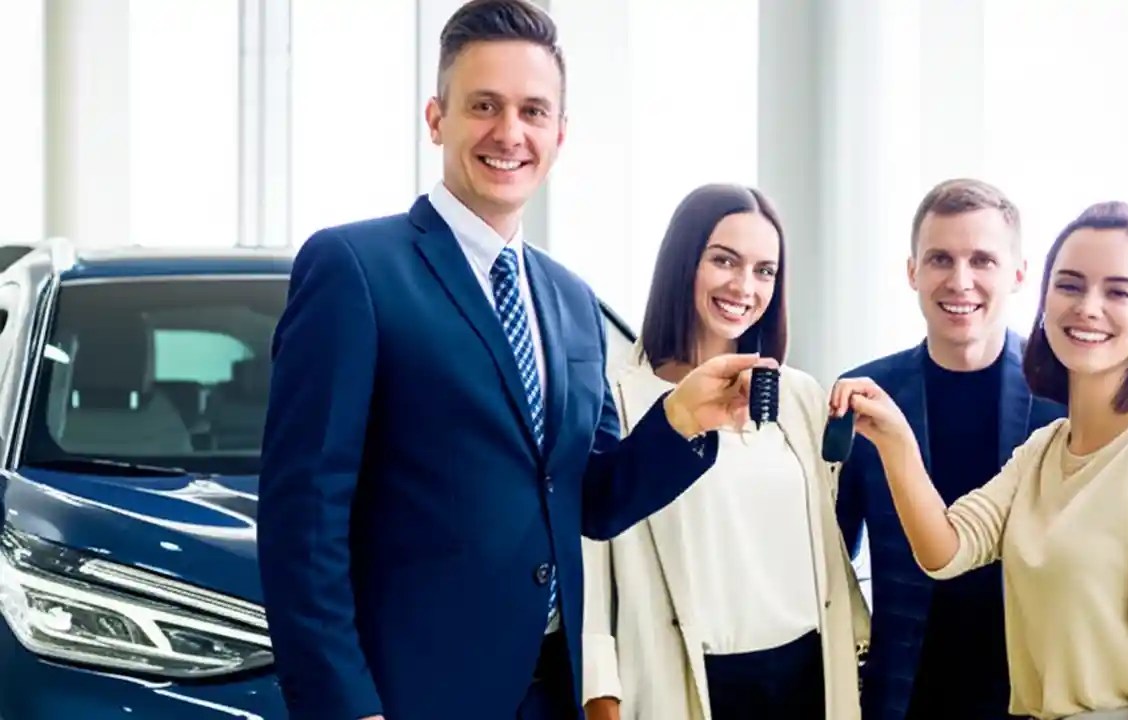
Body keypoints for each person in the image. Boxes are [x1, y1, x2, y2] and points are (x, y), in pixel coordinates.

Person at [256, 2, 771, 719]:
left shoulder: (571, 299)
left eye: (533, 111)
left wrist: (679, 421)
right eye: (484, 106)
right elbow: (304, 523)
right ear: (436, 118)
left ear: (559, 134)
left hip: (550, 691)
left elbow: (589, 499)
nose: (509, 133)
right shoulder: (355, 269)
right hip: (413, 696)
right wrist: (346, 707)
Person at [830, 202, 1128, 719]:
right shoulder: (1045, 449)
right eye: (1070, 285)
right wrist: (896, 441)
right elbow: (944, 550)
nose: (1087, 307)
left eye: (1118, 292)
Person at [579, 184, 871, 720]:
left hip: (808, 676)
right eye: (724, 261)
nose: (744, 286)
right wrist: (601, 698)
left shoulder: (799, 396)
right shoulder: (617, 399)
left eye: (765, 270)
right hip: (687, 682)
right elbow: (593, 586)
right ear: (683, 262)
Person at [834, 178, 1065, 720]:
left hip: (1033, 697)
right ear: (912, 271)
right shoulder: (865, 397)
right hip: (903, 697)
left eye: (982, 260)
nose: (960, 280)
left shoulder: (1064, 399)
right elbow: (831, 560)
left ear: (1018, 274)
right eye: (940, 259)